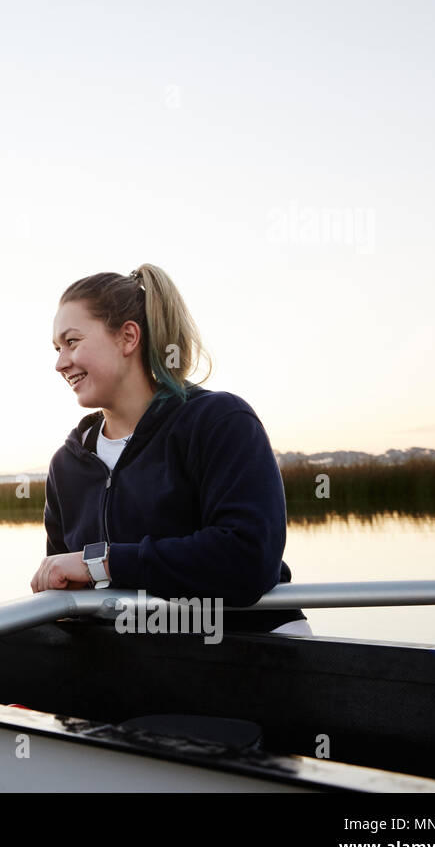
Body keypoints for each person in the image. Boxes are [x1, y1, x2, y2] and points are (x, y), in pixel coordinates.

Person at [31, 265, 310, 635]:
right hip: (147, 668)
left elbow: (247, 558)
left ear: (128, 337)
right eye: (56, 348)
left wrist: (101, 563)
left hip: (256, 657)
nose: (60, 362)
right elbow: (69, 590)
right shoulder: (67, 464)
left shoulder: (220, 421)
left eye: (72, 342)